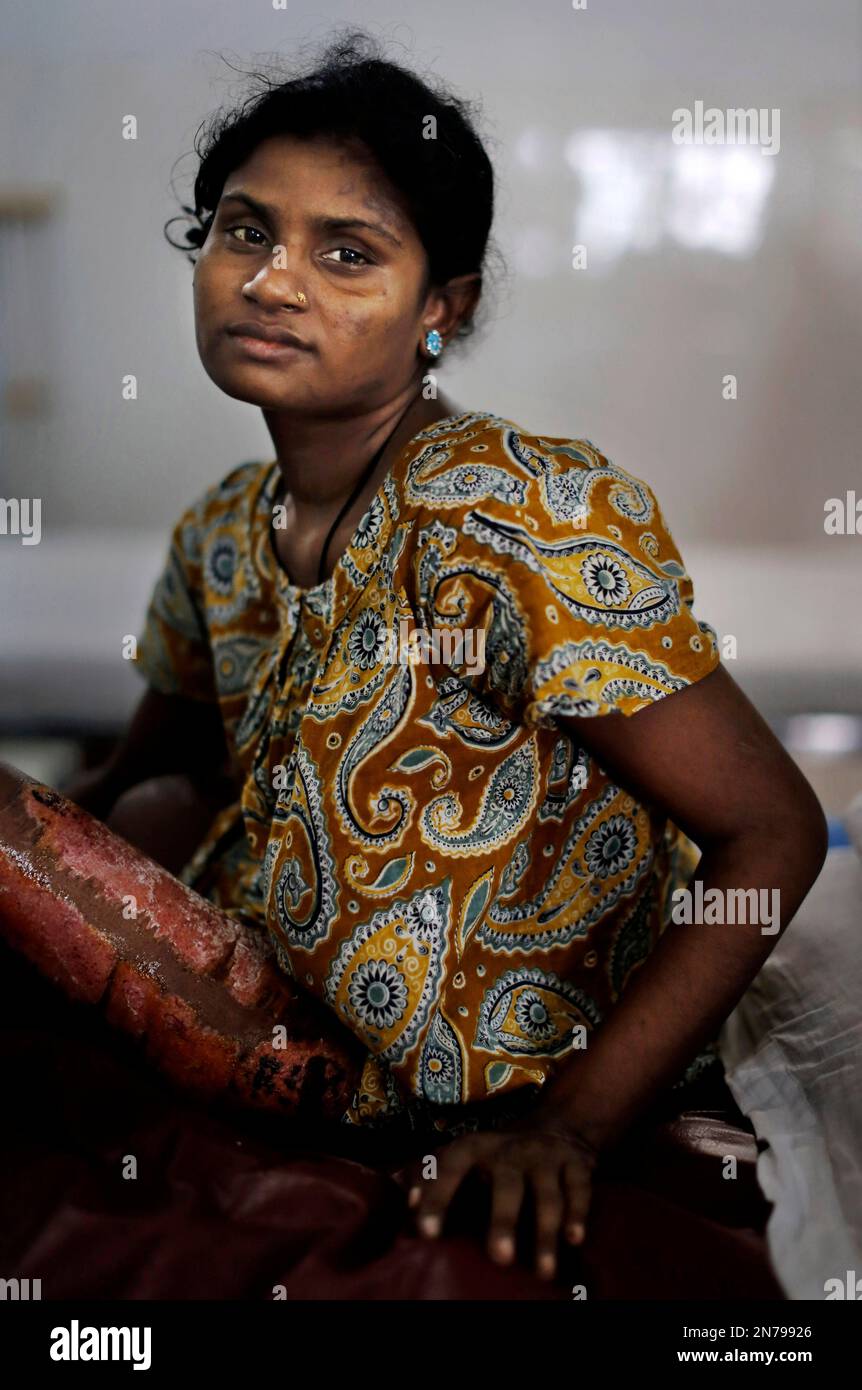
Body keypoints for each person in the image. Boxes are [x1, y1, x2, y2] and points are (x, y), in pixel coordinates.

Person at [54, 31, 827, 1281]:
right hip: (292, 1044)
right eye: (244, 232)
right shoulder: (220, 529)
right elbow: (142, 787)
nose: (271, 281)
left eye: (345, 252)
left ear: (441, 310)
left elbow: (775, 829)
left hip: (516, 1082)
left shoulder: (517, 512)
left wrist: (568, 1124)